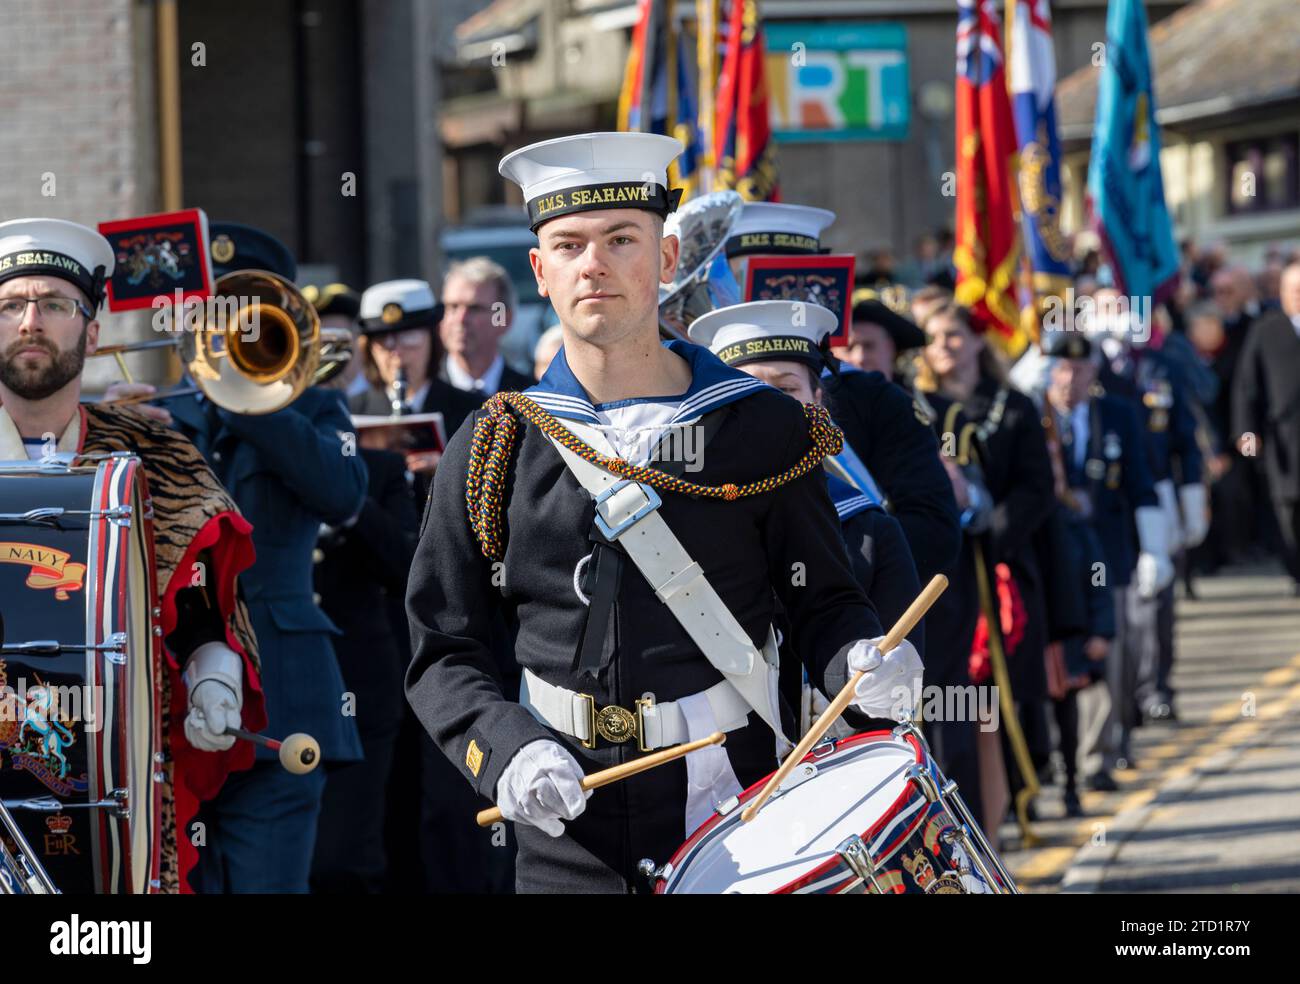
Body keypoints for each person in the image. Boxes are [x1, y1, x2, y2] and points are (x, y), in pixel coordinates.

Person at [405, 131, 921, 893]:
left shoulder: (762, 428)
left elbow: (827, 604)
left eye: (621, 239)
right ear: (540, 273)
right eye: (569, 245)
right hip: (563, 823)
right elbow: (444, 650)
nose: (595, 264)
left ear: (669, 259)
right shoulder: (493, 445)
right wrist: (507, 750)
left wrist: (861, 661)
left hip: (740, 806)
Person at [0, 217, 266, 893]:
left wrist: (214, 672)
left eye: (56, 305)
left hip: (111, 773)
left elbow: (202, 602)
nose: (31, 321)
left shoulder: (156, 455)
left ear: (91, 333)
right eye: (11, 305)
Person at [158, 222, 368, 893]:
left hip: (283, 697)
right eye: (215, 316)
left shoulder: (318, 410)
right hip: (172, 696)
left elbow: (342, 493)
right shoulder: (158, 416)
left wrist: (248, 403)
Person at [719, 202, 961, 584]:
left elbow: (934, 532)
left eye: (794, 280)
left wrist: (843, 576)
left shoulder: (877, 399)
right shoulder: (705, 399)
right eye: (741, 282)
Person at [1037, 332, 1171, 791]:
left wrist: (1154, 547)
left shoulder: (1116, 415)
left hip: (1107, 552)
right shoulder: (1032, 416)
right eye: (1061, 368)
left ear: (1094, 372)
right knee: (1059, 650)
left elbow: (1141, 482)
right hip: (1052, 558)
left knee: (1110, 648)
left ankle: (1101, 752)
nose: (1070, 378)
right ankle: (1058, 754)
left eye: (1079, 369)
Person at [1233, 260, 1300, 594]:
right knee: (1288, 513)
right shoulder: (1266, 329)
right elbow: (1247, 386)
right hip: (1285, 441)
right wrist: (1246, 431)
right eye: (1293, 291)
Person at [438, 257, 535, 396]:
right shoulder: (420, 395)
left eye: (474, 309)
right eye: (452, 307)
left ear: (503, 319)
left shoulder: (531, 397)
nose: (460, 319)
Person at [833, 287, 927, 378]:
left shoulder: (913, 394)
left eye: (869, 346)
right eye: (849, 348)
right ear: (833, 354)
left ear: (890, 349)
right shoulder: (820, 393)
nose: (860, 357)